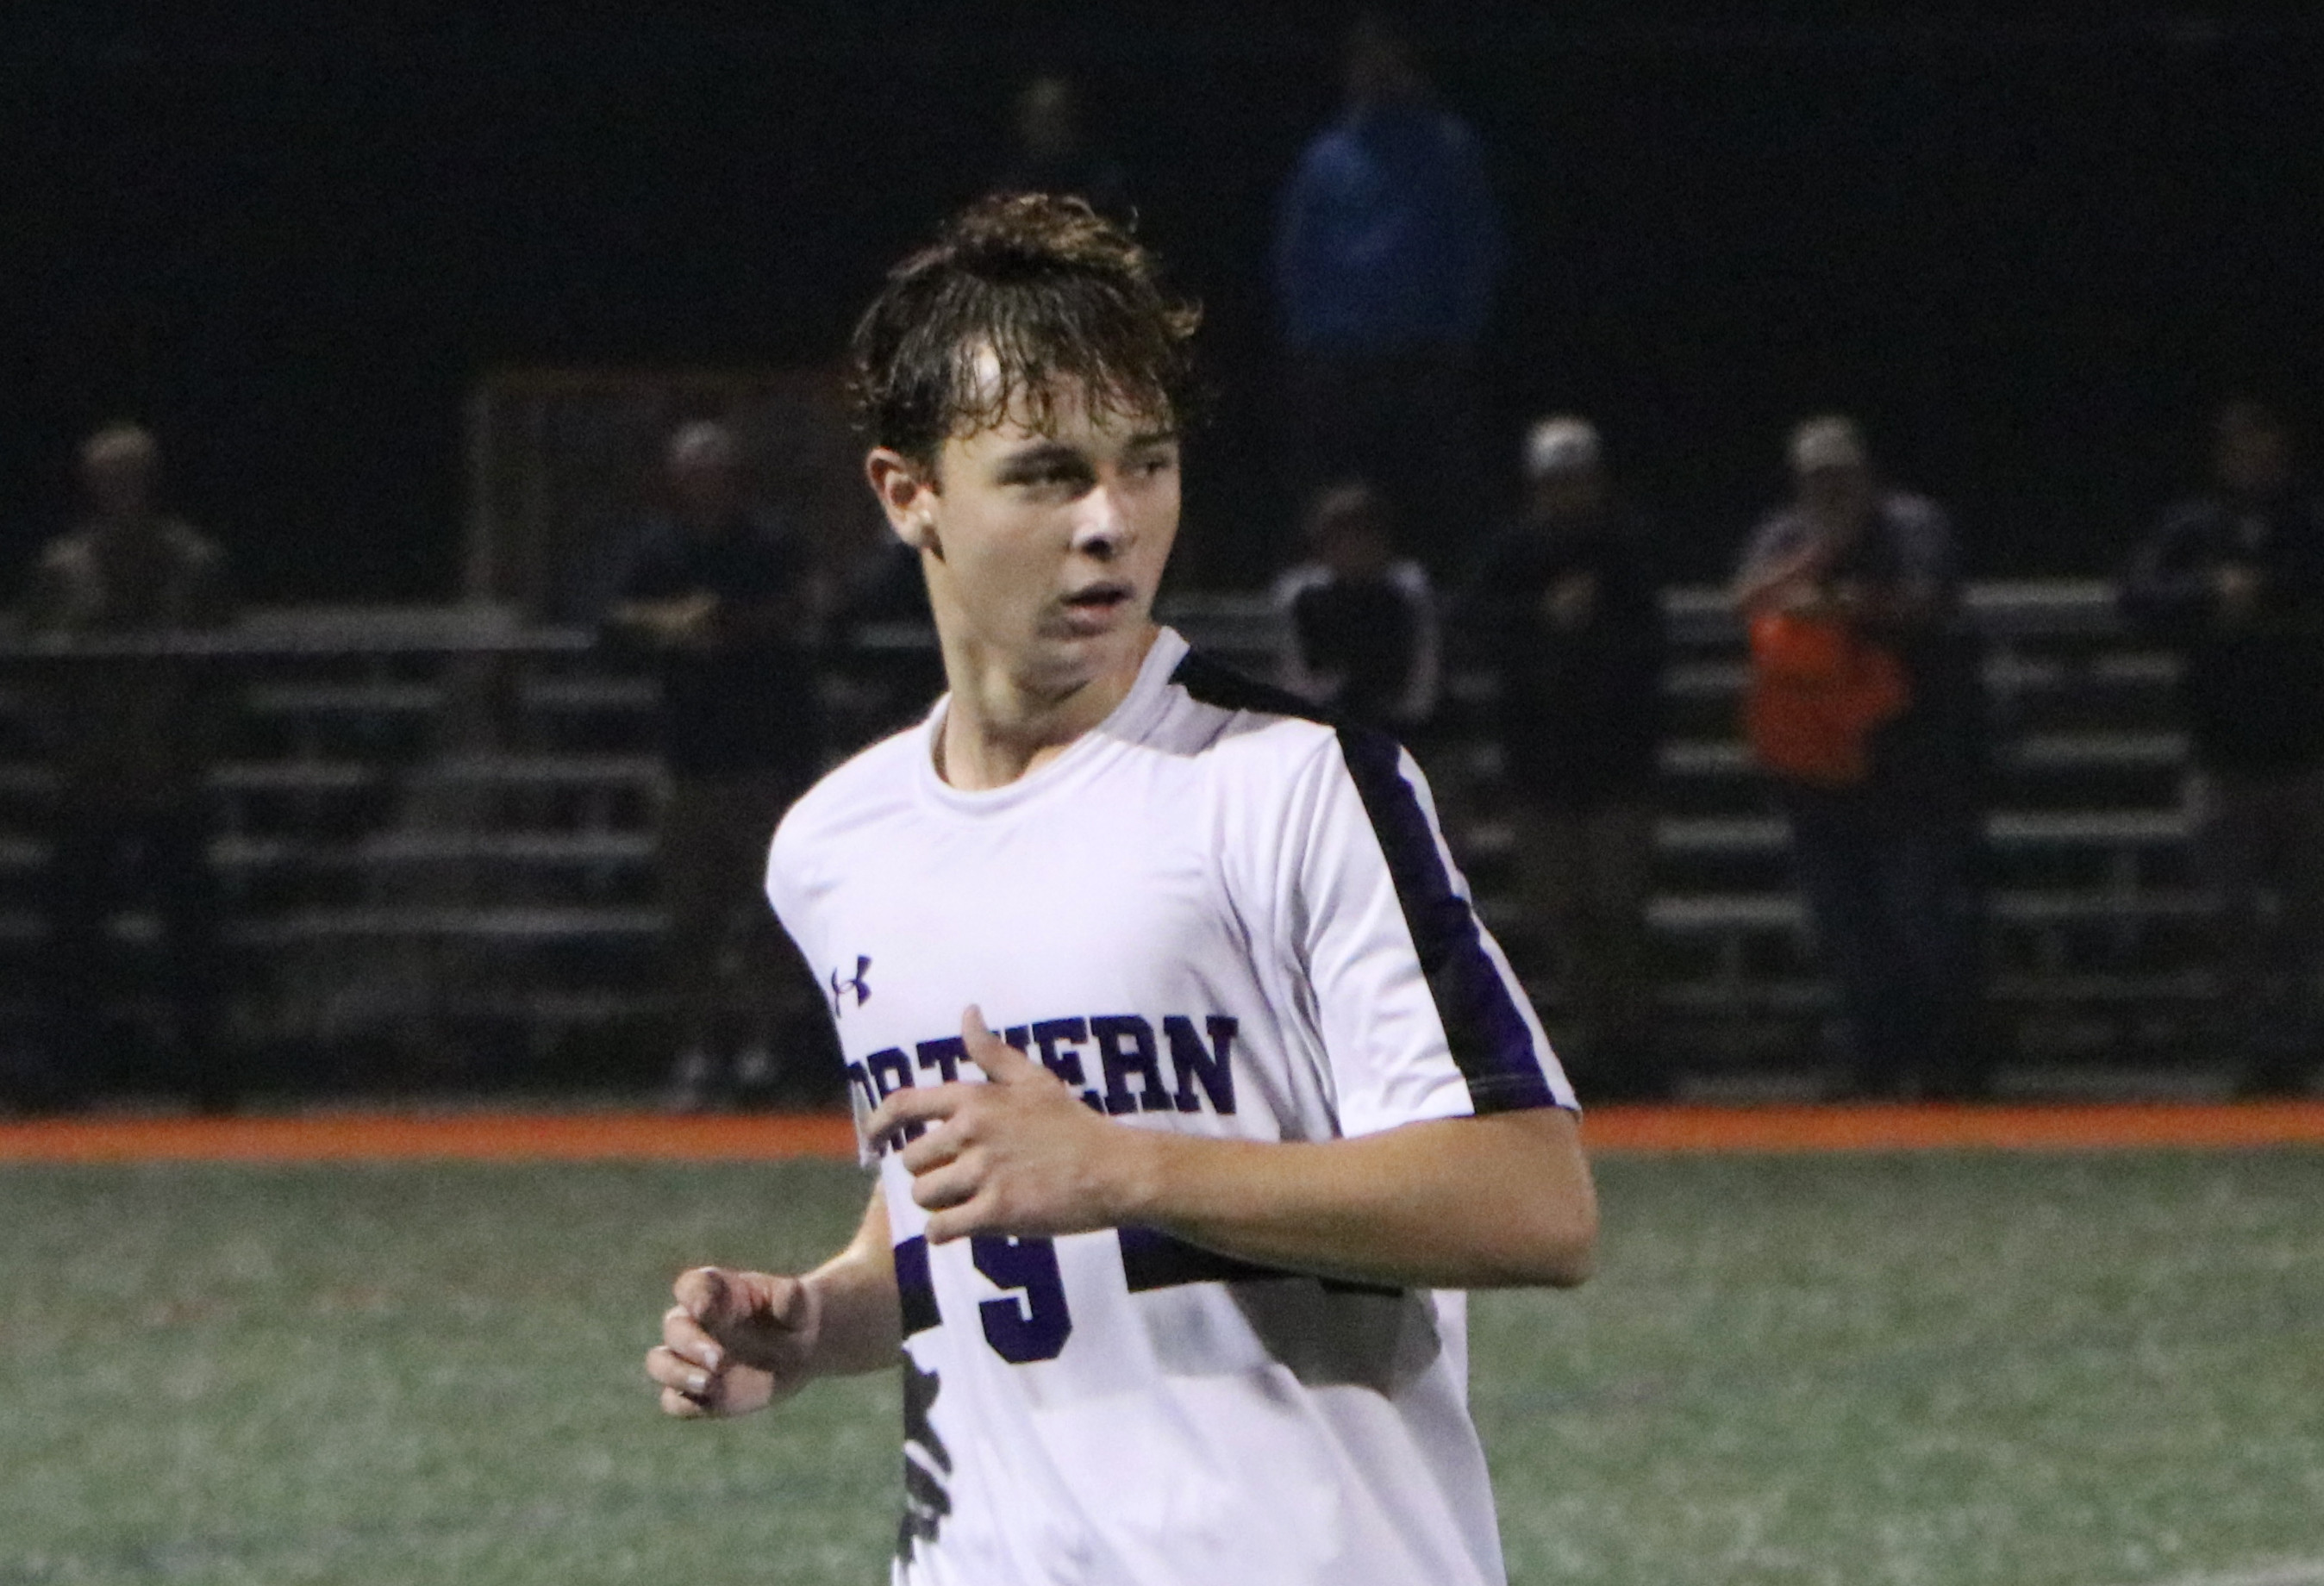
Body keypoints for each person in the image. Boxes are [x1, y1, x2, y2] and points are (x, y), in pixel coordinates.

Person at [644, 194, 1595, 1586]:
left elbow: (1533, 1202)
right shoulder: (835, 847)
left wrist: (1128, 1167)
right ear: (909, 495)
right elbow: (953, 1215)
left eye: (1144, 464)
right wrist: (826, 1316)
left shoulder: (1290, 783)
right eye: (1044, 474)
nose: (1111, 522)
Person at [1735, 415, 1986, 1099]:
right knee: (1843, 922)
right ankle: (1871, 1055)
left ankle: (1947, 1057)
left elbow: (1928, 602)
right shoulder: (1786, 536)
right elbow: (1748, 600)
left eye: (1842, 476)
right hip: (1815, 760)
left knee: (1921, 914)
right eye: (1817, 479)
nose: (1832, 490)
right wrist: (1814, 565)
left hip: (1908, 756)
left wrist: (1849, 604)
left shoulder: (1911, 526)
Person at [605, 421, 827, 1109]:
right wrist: (667, 624)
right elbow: (609, 620)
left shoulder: (767, 544)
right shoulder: (658, 548)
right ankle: (699, 1050)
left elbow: (812, 605)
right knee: (691, 920)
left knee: (764, 915)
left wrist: (733, 626)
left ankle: (764, 1051)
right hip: (686, 757)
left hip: (761, 754)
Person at [16, 424, 234, 1113]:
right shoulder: (62, 568)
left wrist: (199, 748)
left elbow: (223, 670)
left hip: (170, 773)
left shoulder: (196, 564)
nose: (121, 491)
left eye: (133, 477)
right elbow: (33, 670)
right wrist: (58, 746)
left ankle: (207, 1075)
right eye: (110, 479)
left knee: (191, 937)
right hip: (89, 778)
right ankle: (66, 1074)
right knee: (74, 942)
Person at [1454, 416, 1667, 1098]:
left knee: (1617, 910)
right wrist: (1539, 621)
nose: (1566, 495)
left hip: (1614, 764)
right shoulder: (1514, 555)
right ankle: (1591, 1041)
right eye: (1554, 483)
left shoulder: (1626, 549)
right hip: (1540, 767)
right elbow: (1473, 626)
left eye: (1576, 482)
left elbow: (1648, 646)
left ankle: (1633, 1042)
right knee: (1561, 914)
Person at [2121, 399, 2324, 1096]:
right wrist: (2209, 593)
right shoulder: (2191, 527)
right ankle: (2249, 1049)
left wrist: (2266, 593)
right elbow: (2139, 599)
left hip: (2306, 752)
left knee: (2305, 918)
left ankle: (2298, 1048)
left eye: (2265, 447)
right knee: (2226, 912)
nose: (2254, 461)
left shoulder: (2309, 524)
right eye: (2241, 449)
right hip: (2220, 754)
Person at [1273, 9, 1502, 575]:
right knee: (1340, 500)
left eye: (1389, 57)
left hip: (1424, 355)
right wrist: (1309, 338)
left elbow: (1476, 244)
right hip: (1342, 359)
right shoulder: (1326, 156)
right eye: (1366, 59)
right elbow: (1297, 254)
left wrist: (1459, 333)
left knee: (1434, 498)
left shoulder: (1448, 147)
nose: (1378, 71)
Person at [1271, 478, 1440, 733]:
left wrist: (1408, 719)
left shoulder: (1406, 591)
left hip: (1397, 724)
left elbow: (1423, 671)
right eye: (1340, 537)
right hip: (1323, 722)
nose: (1353, 547)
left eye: (1364, 534)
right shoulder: (1302, 596)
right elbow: (1295, 674)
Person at [991, 74, 1132, 223]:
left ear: (1072, 118)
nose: (1045, 126)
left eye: (1053, 116)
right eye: (1035, 117)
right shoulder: (1013, 179)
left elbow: (1123, 228)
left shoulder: (1104, 175)